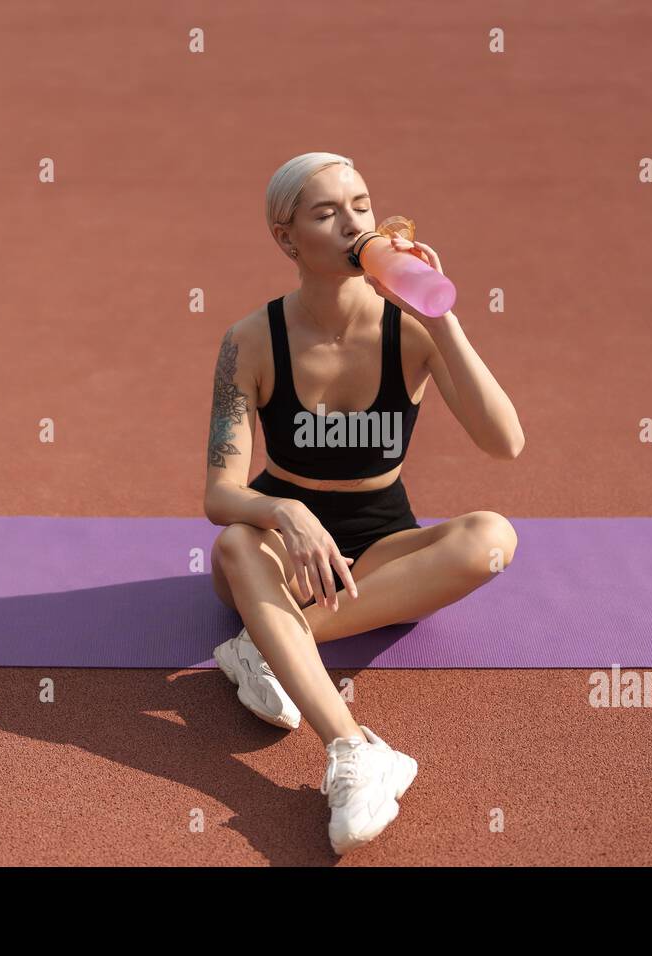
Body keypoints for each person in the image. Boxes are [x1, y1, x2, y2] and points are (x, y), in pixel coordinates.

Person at [203, 151, 525, 853]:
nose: (352, 224)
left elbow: (506, 443)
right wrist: (284, 512)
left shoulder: (409, 329)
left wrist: (441, 321)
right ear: (287, 239)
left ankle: (271, 645)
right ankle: (354, 751)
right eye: (326, 212)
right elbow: (220, 495)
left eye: (360, 205)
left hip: (382, 539)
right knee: (232, 546)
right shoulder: (249, 341)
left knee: (493, 538)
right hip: (280, 548)